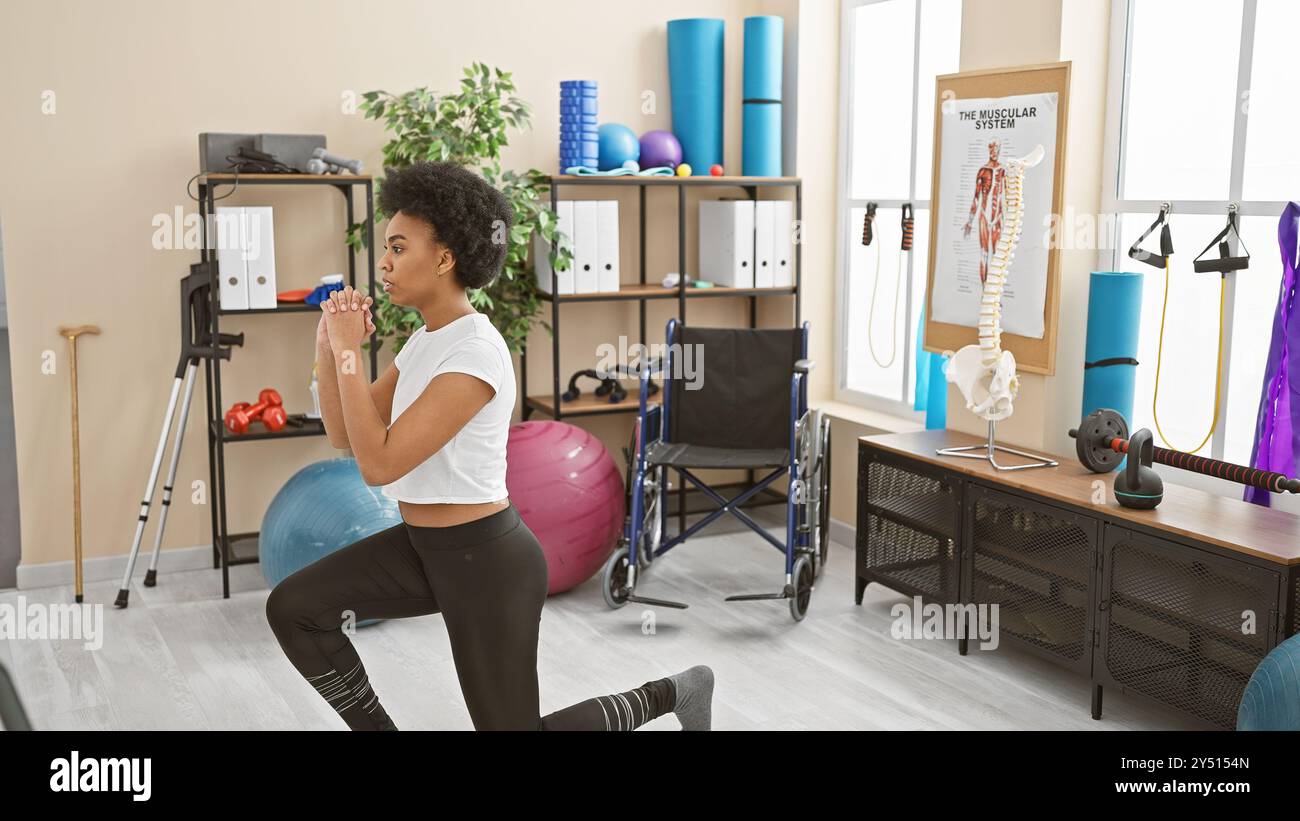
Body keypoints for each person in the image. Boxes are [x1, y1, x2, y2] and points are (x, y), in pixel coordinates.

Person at [265, 160, 713, 731]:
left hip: (486, 563)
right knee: (296, 608)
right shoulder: (425, 343)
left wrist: (353, 352)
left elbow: (378, 464)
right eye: (386, 248)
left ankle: (672, 692)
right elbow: (343, 436)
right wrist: (329, 348)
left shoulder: (476, 351)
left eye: (399, 248)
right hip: (422, 549)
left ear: (445, 258)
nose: (383, 263)